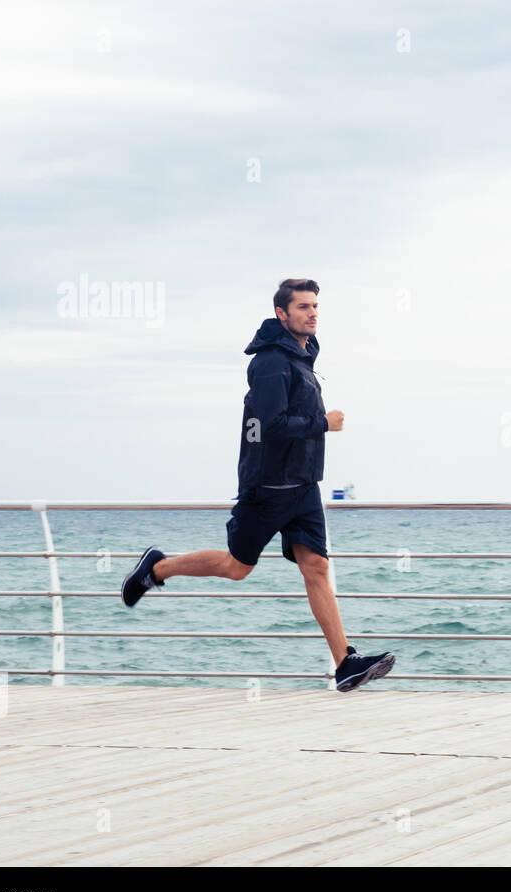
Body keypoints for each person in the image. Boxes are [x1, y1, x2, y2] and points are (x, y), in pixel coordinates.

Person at [121, 278, 395, 693]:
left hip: (302, 485)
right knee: (237, 567)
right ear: (281, 314)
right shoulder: (270, 361)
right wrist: (325, 423)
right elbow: (272, 425)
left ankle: (345, 663)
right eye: (303, 307)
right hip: (266, 487)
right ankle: (156, 567)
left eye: (315, 306)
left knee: (317, 567)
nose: (313, 313)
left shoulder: (303, 353)